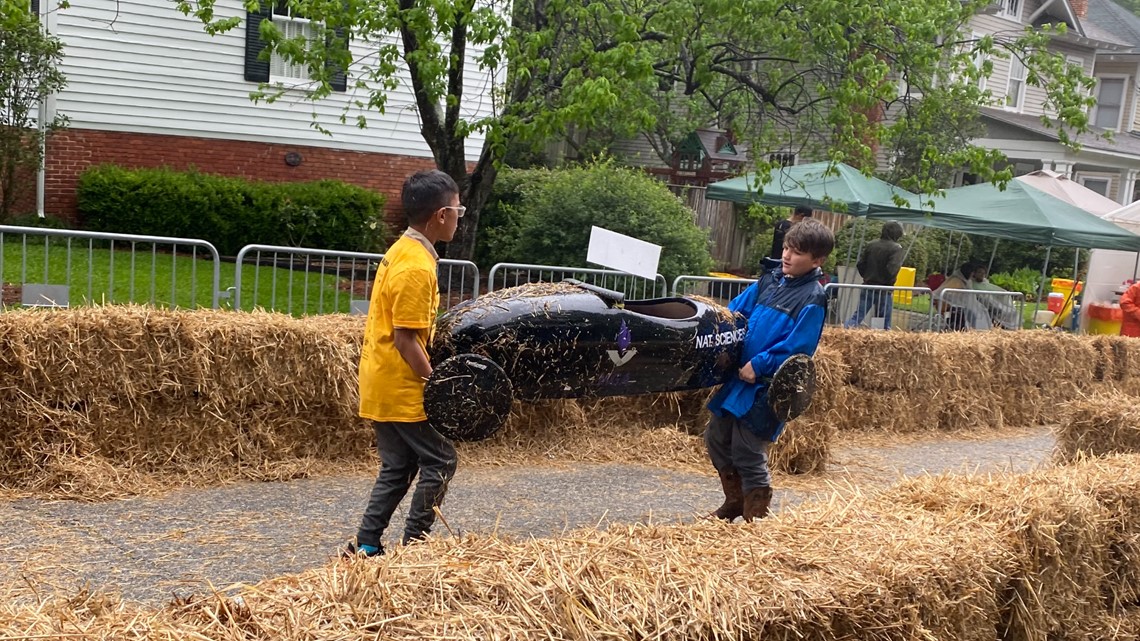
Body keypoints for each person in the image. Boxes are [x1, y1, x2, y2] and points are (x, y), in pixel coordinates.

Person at [346, 169, 463, 557]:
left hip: (381, 377)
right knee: (441, 459)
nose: (460, 217)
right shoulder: (416, 266)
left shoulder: (403, 249)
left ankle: (366, 544)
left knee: (397, 467)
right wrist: (436, 383)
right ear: (441, 215)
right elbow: (405, 339)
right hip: (402, 383)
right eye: (458, 210)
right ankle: (415, 546)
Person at [705, 218, 834, 522]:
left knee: (747, 448)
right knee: (716, 437)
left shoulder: (813, 297)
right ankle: (735, 501)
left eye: (797, 252)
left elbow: (799, 348)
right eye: (787, 248)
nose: (787, 256)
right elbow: (734, 312)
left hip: (766, 384)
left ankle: (756, 517)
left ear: (817, 260)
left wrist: (760, 363)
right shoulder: (769, 281)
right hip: (739, 378)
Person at [844, 221, 904, 330]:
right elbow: (892, 270)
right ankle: (880, 338)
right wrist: (888, 281)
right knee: (884, 321)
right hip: (884, 289)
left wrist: (866, 276)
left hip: (868, 285)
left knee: (857, 316)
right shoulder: (896, 248)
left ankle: (844, 331)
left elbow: (861, 264)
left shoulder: (871, 245)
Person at [933, 261, 992, 331]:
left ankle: (977, 329)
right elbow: (946, 293)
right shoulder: (956, 281)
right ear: (968, 272)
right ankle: (972, 329)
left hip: (958, 305)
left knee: (980, 311)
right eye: (973, 272)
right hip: (948, 305)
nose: (973, 274)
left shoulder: (966, 281)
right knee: (971, 313)